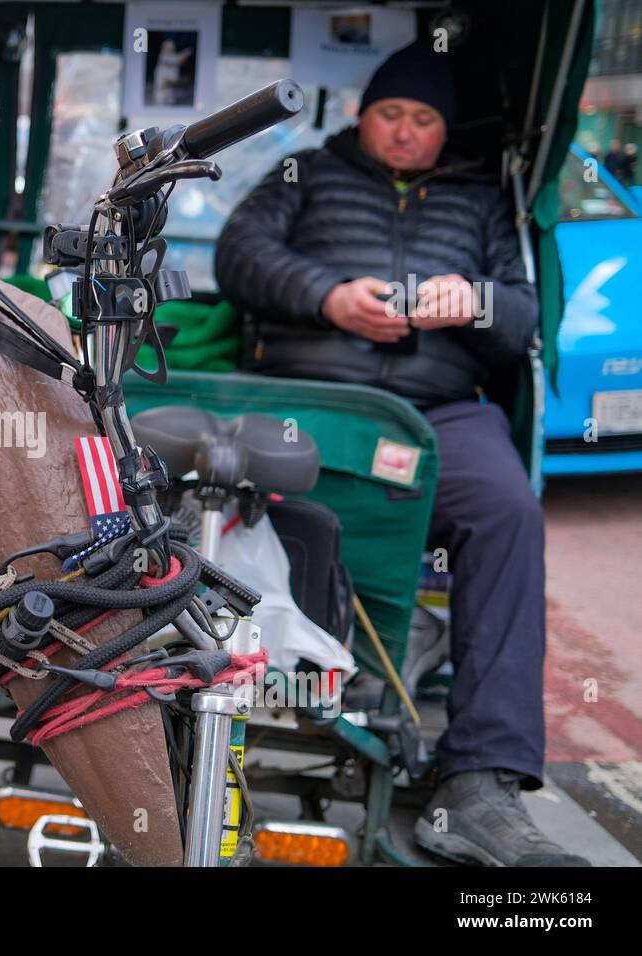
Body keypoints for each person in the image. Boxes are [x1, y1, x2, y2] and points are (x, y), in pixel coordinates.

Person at [214, 40, 588, 867]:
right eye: (392, 113)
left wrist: (478, 302)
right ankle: (176, 725)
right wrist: (329, 298)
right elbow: (238, 257)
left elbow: (524, 320)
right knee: (192, 488)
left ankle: (481, 782)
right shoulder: (304, 173)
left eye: (424, 119)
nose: (407, 132)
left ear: (443, 130)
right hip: (303, 402)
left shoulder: (485, 201)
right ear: (362, 114)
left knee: (506, 513)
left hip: (438, 413)